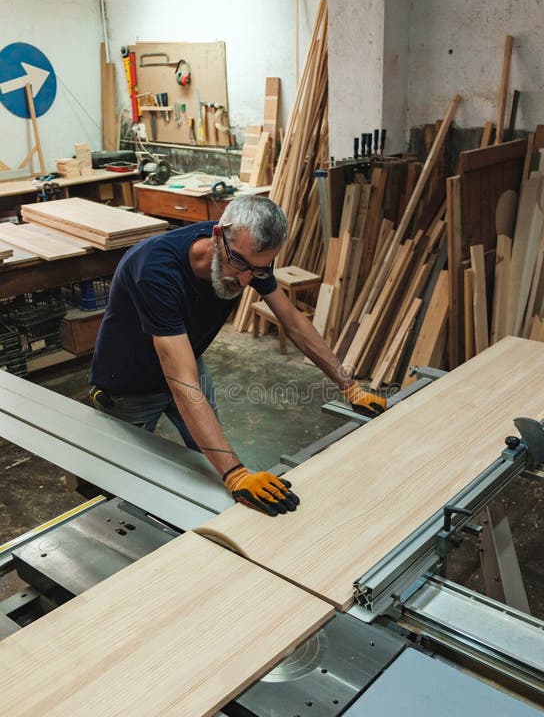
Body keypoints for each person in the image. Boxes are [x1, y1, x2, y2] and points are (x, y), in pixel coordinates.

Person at [89, 196, 386, 516]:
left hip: (187, 359)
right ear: (217, 236)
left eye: (258, 270)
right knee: (121, 483)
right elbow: (182, 384)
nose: (245, 280)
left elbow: (293, 322)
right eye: (241, 264)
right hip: (129, 385)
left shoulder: (247, 255)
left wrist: (348, 386)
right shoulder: (156, 270)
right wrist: (236, 474)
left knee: (208, 465)